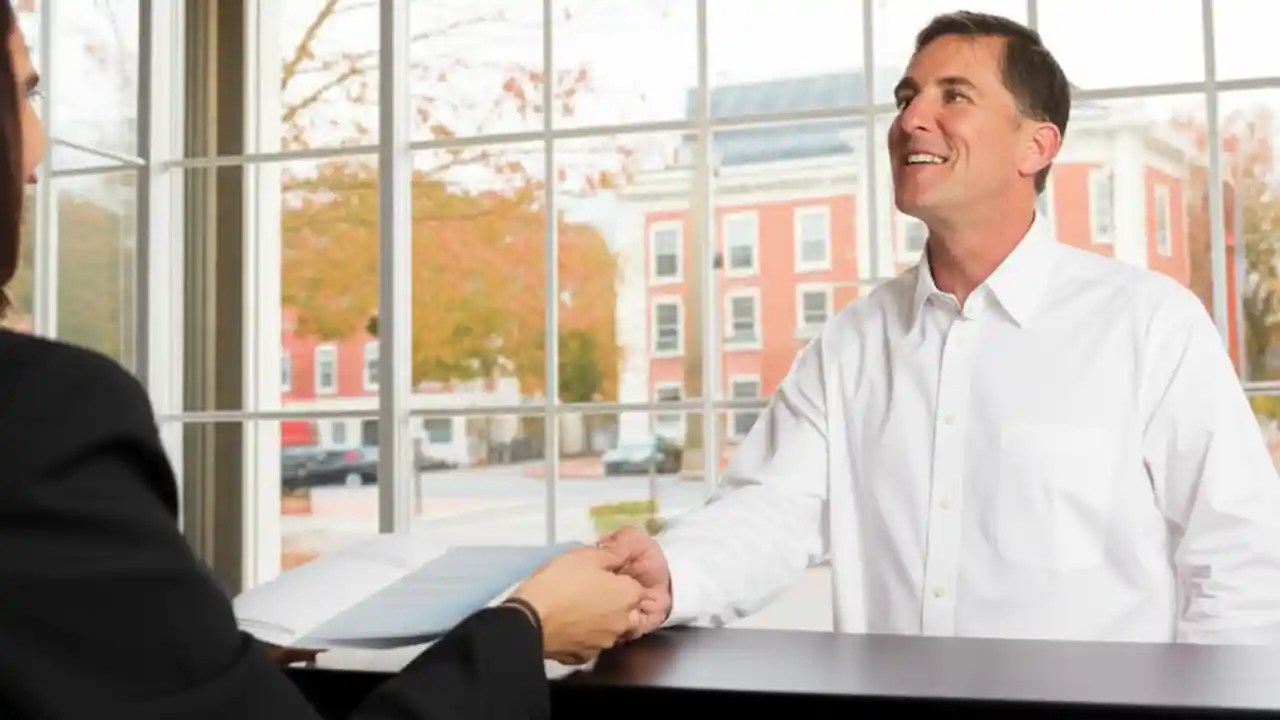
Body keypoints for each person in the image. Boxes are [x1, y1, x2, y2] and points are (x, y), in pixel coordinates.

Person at [0, 5, 641, 719]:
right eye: (24, 95)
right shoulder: (47, 416)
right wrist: (526, 627)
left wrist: (213, 653)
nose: (37, 150)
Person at [605, 11, 1280, 646]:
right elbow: (773, 511)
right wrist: (674, 572)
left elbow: (1241, 565)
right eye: (906, 97)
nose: (910, 120)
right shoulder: (850, 345)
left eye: (953, 96)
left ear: (1036, 145)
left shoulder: (1152, 327)